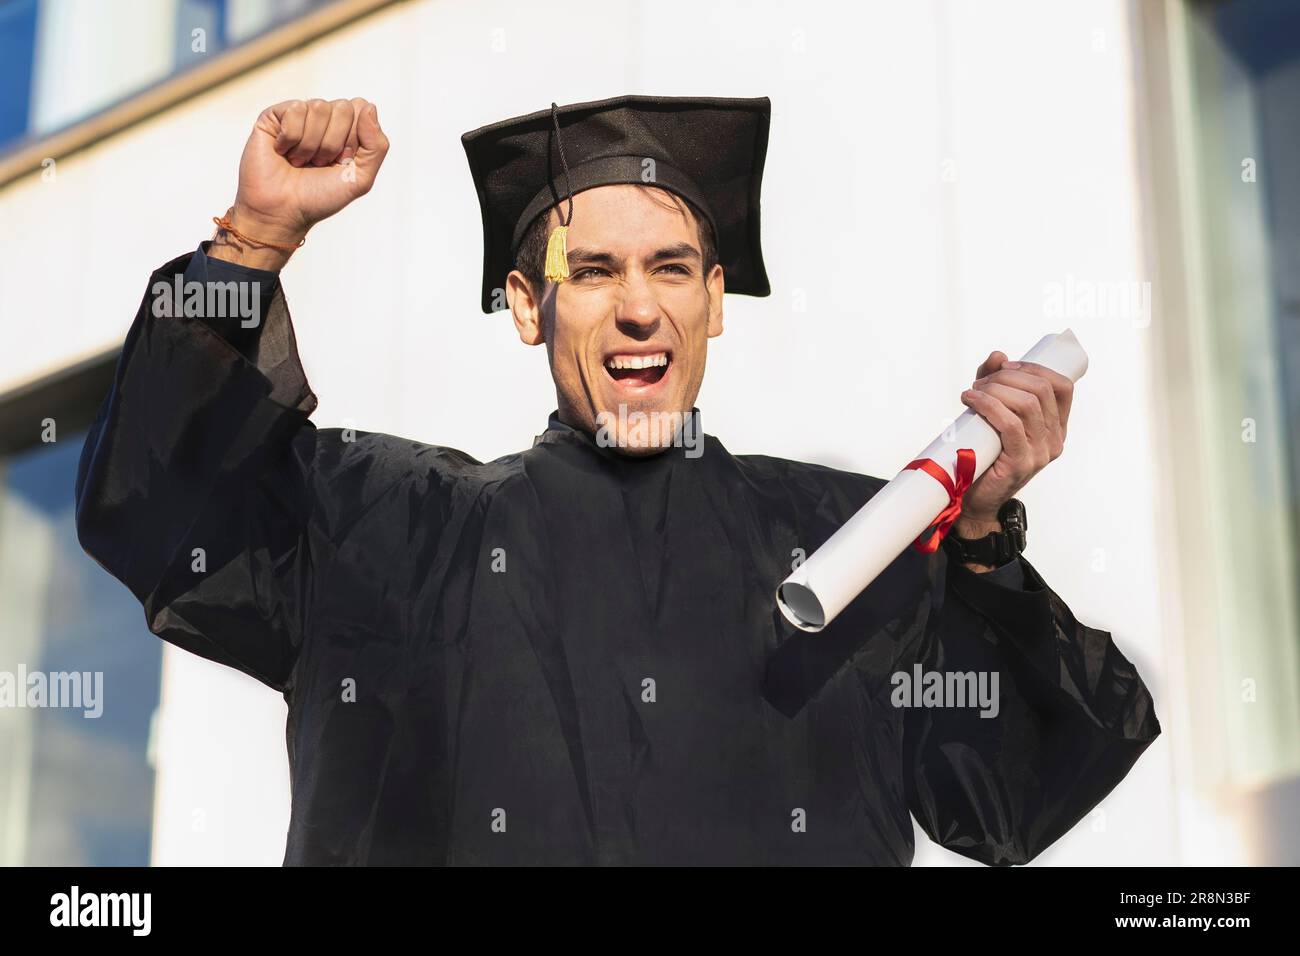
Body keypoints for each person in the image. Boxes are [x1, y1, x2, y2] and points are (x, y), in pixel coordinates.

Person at [75, 94, 1160, 865]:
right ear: (525, 304)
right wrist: (253, 238)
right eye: (590, 270)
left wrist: (973, 539)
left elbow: (1012, 792)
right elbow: (159, 501)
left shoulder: (852, 543)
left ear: (715, 300)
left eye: (670, 267)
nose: (637, 305)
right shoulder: (384, 530)